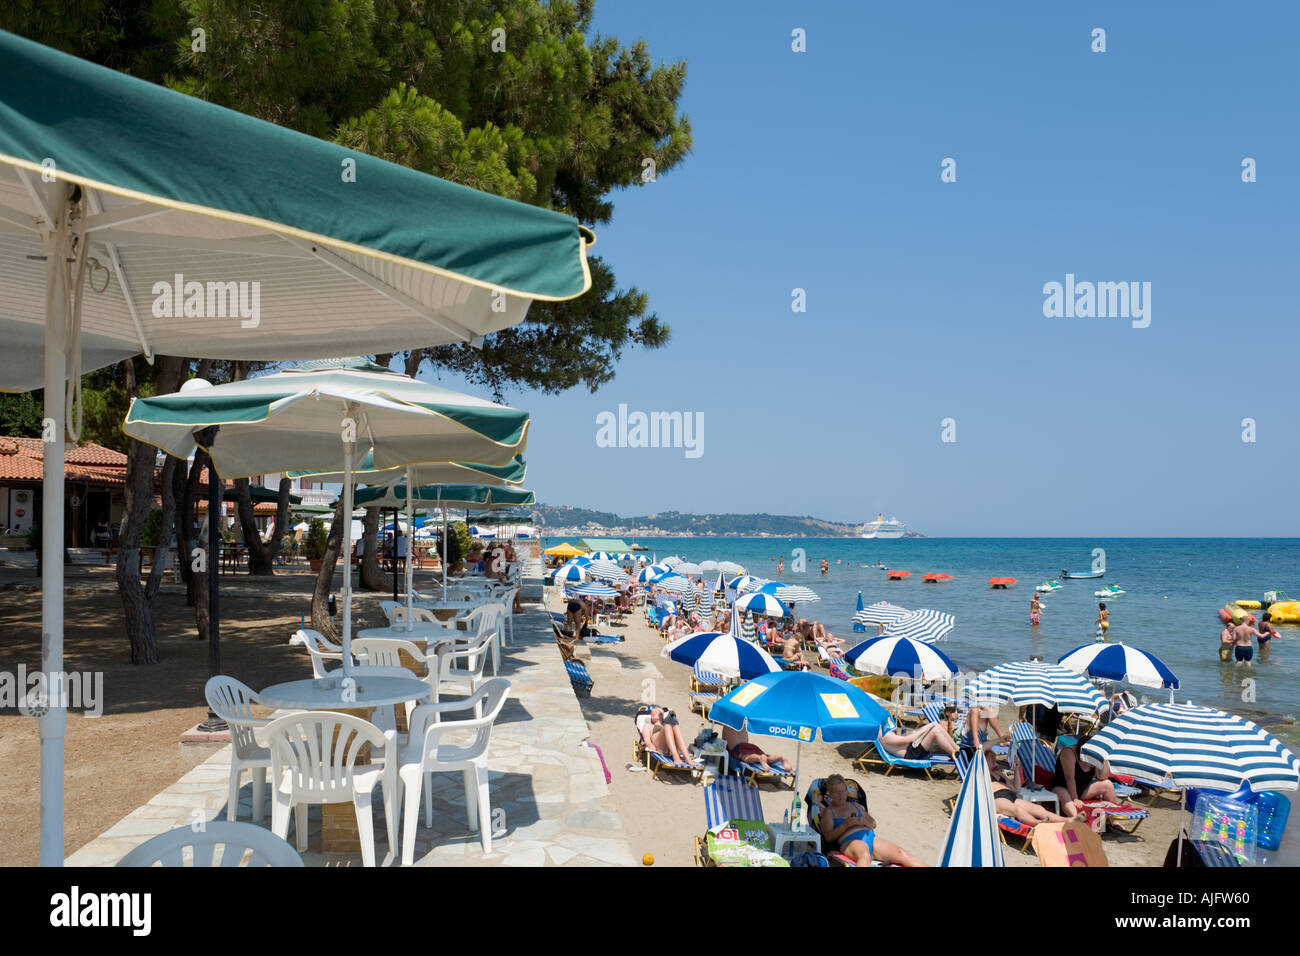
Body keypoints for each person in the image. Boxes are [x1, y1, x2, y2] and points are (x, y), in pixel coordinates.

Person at [817, 774, 926, 867]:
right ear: (830, 794)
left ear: (846, 791)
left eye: (843, 791)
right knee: (864, 855)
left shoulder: (856, 806)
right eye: (836, 792)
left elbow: (873, 824)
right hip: (850, 841)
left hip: (871, 838)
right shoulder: (829, 812)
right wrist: (846, 825)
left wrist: (863, 821)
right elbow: (828, 837)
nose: (840, 795)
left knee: (901, 853)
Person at [1050, 733, 1117, 816]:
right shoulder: (1069, 752)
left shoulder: (1095, 755)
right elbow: (1069, 778)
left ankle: (1113, 820)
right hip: (1063, 786)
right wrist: (1075, 799)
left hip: (1083, 789)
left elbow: (1102, 776)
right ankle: (1078, 820)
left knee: (1108, 784)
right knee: (1065, 796)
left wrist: (1104, 757)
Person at [988, 762, 1071, 826]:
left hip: (1009, 794)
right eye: (990, 758)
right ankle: (1037, 823)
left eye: (993, 758)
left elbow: (1016, 788)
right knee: (1017, 810)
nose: (994, 760)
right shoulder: (981, 774)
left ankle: (1067, 820)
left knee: (1038, 808)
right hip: (996, 797)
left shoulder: (999, 773)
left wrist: (1017, 768)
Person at [878, 716, 962, 761]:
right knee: (935, 731)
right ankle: (955, 754)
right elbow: (906, 740)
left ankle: (958, 749)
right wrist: (921, 731)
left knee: (936, 726)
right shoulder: (882, 735)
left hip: (912, 748)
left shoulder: (883, 730)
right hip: (910, 753)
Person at [721, 726, 790, 774]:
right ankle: (780, 758)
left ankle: (759, 758)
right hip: (751, 746)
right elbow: (746, 739)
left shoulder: (727, 726)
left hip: (738, 747)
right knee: (766, 758)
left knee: (746, 757)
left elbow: (725, 742)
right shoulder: (742, 724)